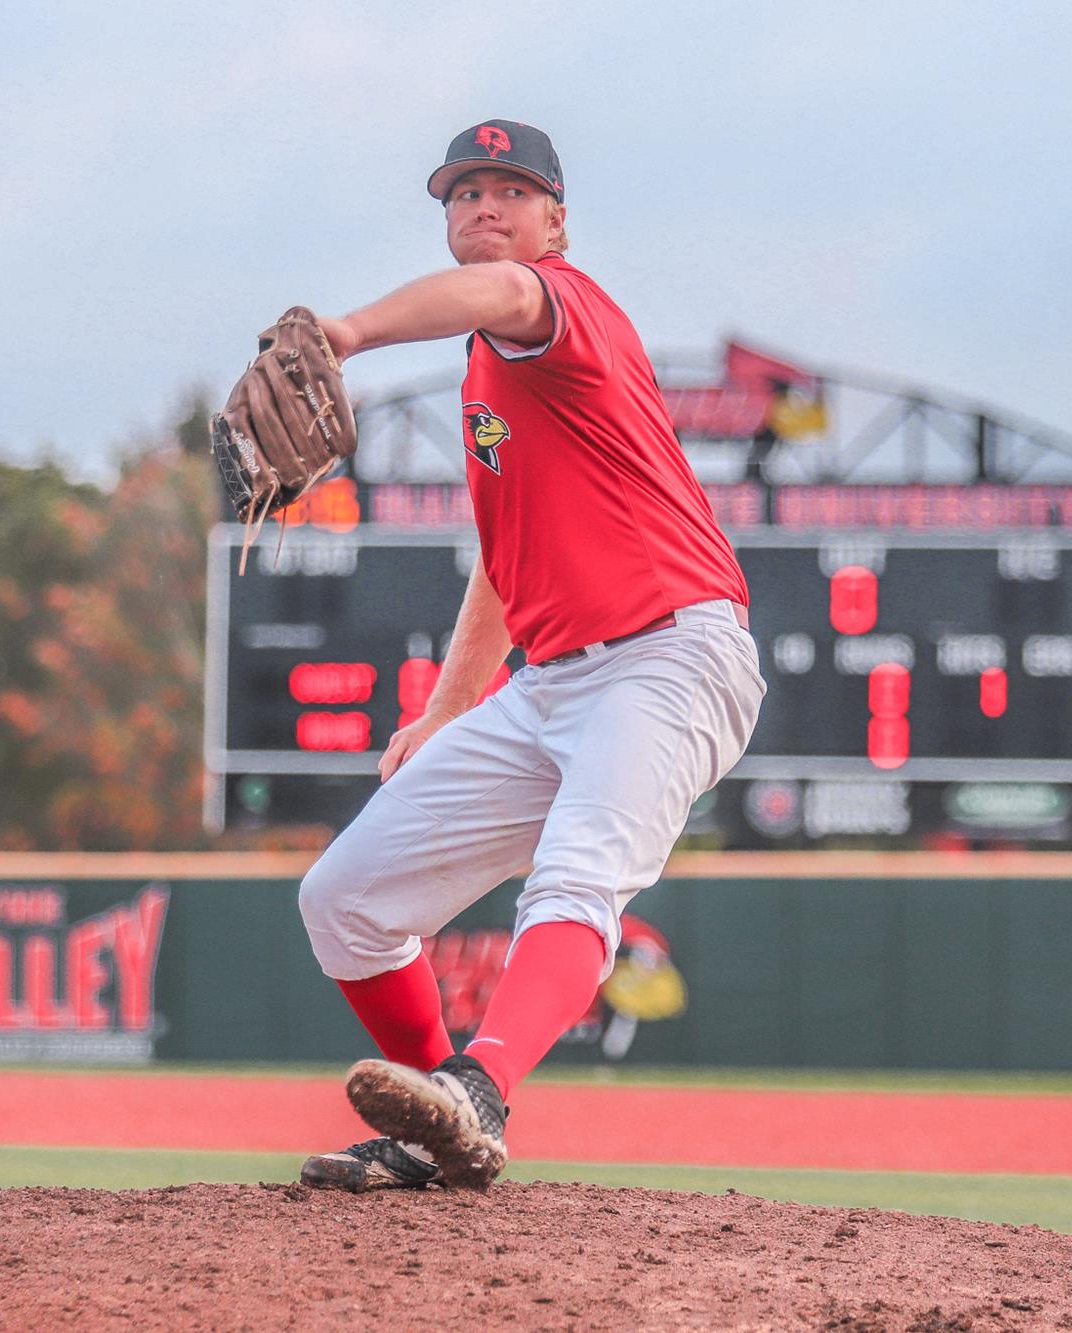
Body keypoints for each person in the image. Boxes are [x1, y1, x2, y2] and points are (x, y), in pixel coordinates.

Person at [293, 119, 766, 1191]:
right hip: (546, 681)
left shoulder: (558, 304)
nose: (483, 209)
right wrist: (448, 709)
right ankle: (442, 1126)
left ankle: (482, 1084)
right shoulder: (484, 383)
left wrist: (346, 332)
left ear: (555, 218)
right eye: (462, 195)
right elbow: (504, 567)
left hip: (667, 652)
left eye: (508, 189)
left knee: (576, 872)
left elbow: (501, 295)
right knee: (345, 897)